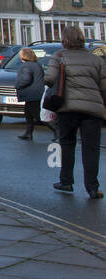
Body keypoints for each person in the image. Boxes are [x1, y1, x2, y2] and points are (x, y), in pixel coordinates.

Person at [45, 27, 106, 198]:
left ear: (64, 40)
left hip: (67, 108)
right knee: (91, 149)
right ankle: (92, 188)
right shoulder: (96, 59)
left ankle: (66, 182)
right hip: (92, 109)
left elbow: (49, 79)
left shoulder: (59, 57)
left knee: (67, 144)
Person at [14, 47, 49, 140]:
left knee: (39, 116)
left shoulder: (26, 66)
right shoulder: (36, 64)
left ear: (23, 56)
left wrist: (17, 85)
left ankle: (56, 131)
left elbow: (26, 79)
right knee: (28, 114)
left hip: (32, 94)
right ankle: (28, 133)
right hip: (35, 94)